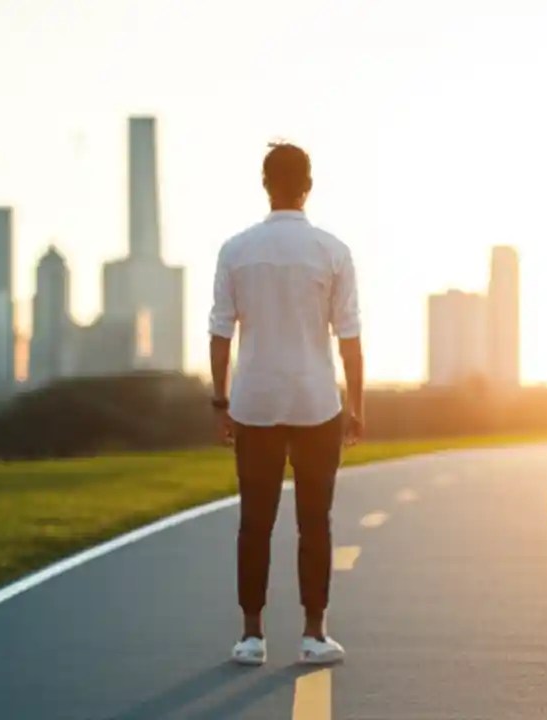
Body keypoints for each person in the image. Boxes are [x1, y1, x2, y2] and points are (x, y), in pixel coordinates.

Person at [208, 141, 364, 666]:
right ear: (308, 186)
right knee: (314, 521)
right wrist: (357, 405)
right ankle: (314, 634)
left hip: (254, 401)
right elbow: (349, 337)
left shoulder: (235, 250)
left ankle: (251, 635)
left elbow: (219, 332)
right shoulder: (332, 251)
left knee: (255, 521)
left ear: (264, 184)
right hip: (317, 401)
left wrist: (219, 400)